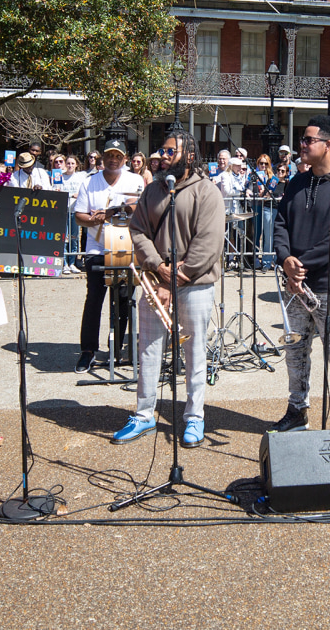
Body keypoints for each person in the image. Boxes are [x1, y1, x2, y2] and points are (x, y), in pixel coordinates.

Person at [112, 130, 225, 446]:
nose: (162, 155)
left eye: (170, 151)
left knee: (195, 352)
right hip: (154, 283)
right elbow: (138, 232)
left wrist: (173, 280)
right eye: (161, 150)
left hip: (194, 287)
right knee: (147, 349)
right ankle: (144, 414)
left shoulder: (208, 192)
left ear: (189, 155)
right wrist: (158, 269)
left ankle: (194, 418)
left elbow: (208, 244)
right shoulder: (152, 191)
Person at [270, 115, 330, 432]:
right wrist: (286, 260)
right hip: (294, 286)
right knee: (295, 351)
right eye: (302, 139)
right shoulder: (297, 181)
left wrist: (300, 264)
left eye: (308, 140)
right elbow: (281, 223)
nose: (302, 145)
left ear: (327, 145)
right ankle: (297, 409)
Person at [73, 138, 144, 373]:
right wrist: (95, 219)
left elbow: (134, 208)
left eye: (118, 156)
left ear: (124, 159)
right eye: (109, 155)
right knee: (94, 300)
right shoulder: (89, 182)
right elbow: (78, 216)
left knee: (124, 300)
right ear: (103, 158)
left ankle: (116, 349)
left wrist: (110, 211)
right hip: (96, 248)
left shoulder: (134, 179)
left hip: (124, 246)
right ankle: (88, 351)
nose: (113, 160)